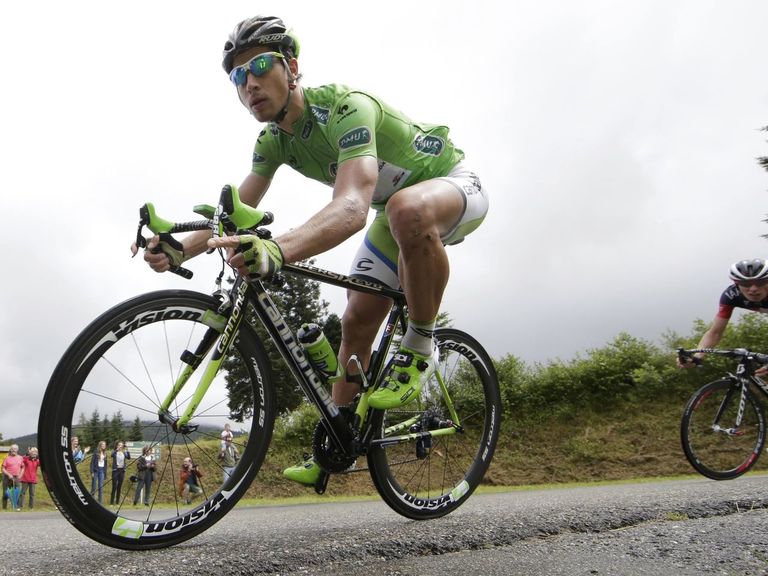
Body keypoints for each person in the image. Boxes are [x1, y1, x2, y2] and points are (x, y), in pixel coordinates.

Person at [136, 15, 489, 487]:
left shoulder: (346, 107)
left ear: (292, 67)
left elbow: (352, 206)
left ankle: (420, 343)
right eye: (238, 75)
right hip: (393, 213)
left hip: (451, 185)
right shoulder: (272, 141)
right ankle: (336, 443)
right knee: (356, 320)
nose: (249, 83)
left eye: (261, 65)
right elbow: (235, 211)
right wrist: (179, 250)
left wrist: (276, 249)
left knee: (406, 208)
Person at [679, 259, 768, 373]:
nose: (753, 289)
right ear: (736, 283)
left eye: (760, 282)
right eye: (745, 284)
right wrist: (697, 357)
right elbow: (715, 333)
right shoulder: (731, 296)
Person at [2, 444, 24, 511]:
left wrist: (20, 475)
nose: (13, 450)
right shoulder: (7, 458)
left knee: (17, 492)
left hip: (17, 477)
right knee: (6, 492)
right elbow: (3, 468)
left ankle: (17, 507)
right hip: (7, 477)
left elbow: (23, 467)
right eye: (12, 449)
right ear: (10, 450)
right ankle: (4, 507)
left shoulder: (20, 458)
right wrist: (8, 474)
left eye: (15, 449)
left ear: (17, 450)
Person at [110, 441, 131, 506]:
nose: (120, 446)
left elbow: (129, 457)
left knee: (119, 486)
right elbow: (111, 455)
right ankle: (111, 502)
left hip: (122, 470)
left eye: (121, 445)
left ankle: (117, 502)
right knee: (114, 486)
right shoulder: (115, 452)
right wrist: (117, 450)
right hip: (115, 470)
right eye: (119, 445)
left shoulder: (124, 453)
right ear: (117, 446)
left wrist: (127, 449)